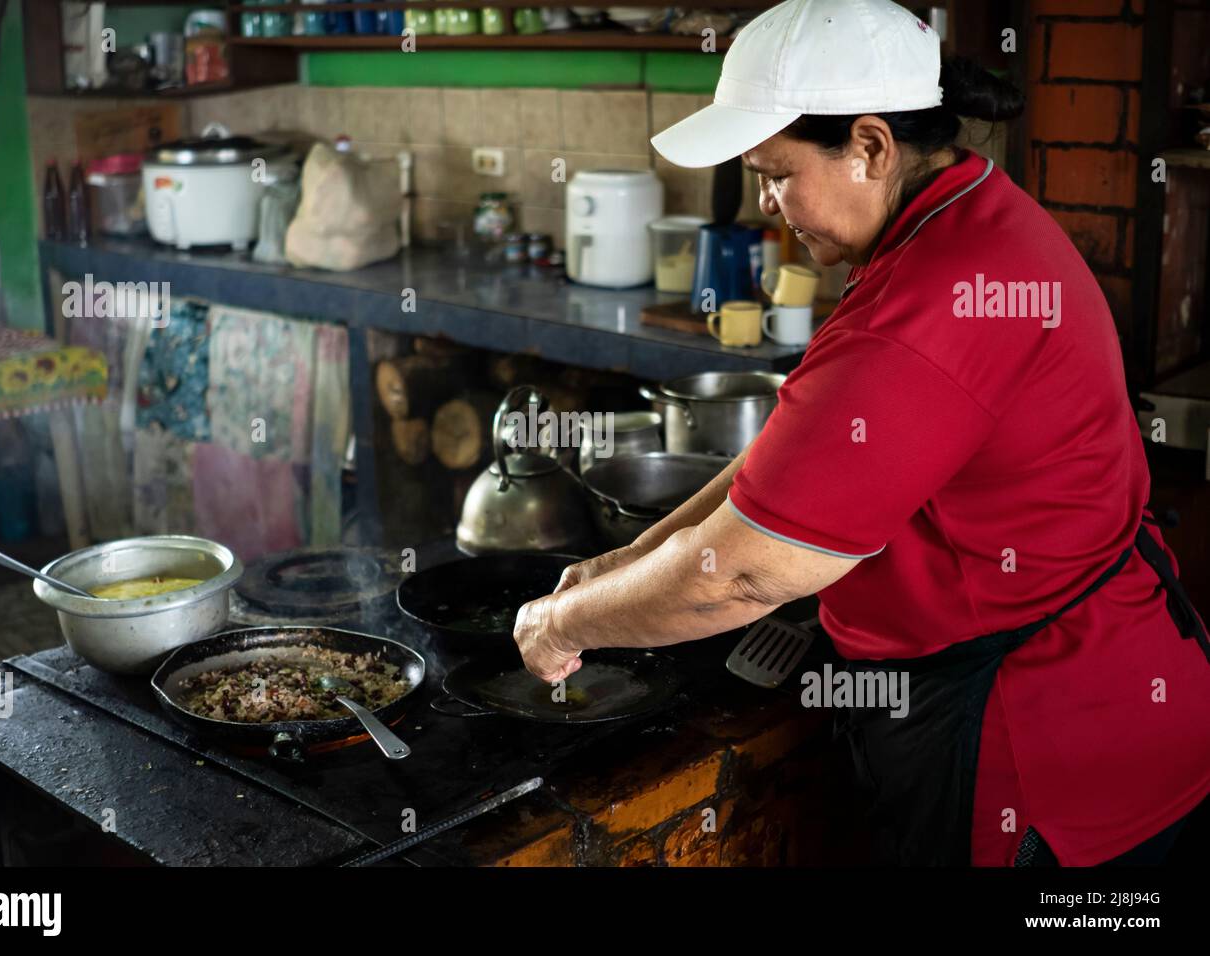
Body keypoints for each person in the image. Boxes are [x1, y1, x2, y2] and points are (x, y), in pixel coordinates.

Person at [511, 0, 1210, 866]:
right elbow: (778, 467)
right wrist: (623, 563)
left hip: (1040, 747)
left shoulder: (922, 310)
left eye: (777, 173)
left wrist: (565, 624)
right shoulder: (965, 214)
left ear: (871, 146)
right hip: (1095, 686)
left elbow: (738, 576)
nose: (768, 203)